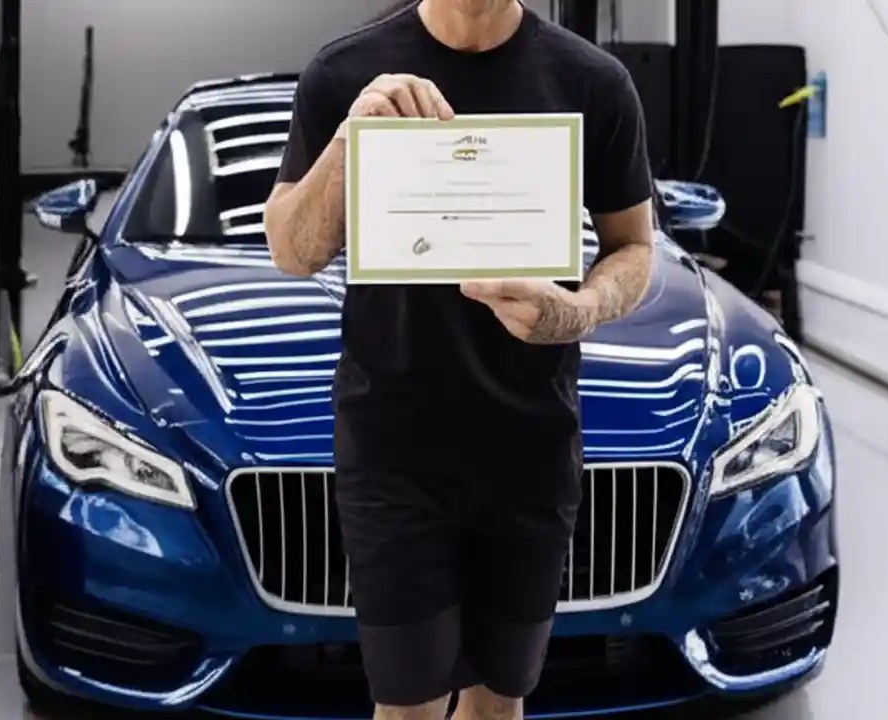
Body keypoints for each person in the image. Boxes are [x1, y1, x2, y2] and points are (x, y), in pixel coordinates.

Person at [263, 1, 654, 718]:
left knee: (498, 703)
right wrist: (352, 140)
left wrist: (581, 309)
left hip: (530, 450)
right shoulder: (343, 74)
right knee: (407, 704)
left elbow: (634, 247)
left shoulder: (593, 82)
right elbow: (293, 250)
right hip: (394, 451)